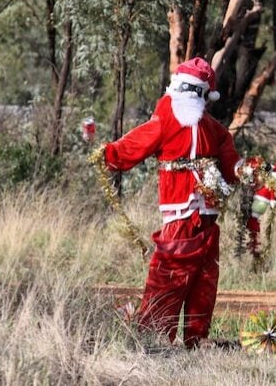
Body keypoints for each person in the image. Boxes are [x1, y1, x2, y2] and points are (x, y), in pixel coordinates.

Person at [101, 57, 251, 348]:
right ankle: (154, 336)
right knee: (170, 275)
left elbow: (232, 165)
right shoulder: (164, 120)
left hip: (208, 215)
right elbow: (130, 147)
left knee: (205, 278)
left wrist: (249, 171)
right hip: (179, 215)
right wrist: (106, 154)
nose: (193, 96)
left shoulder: (214, 130)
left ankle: (196, 339)